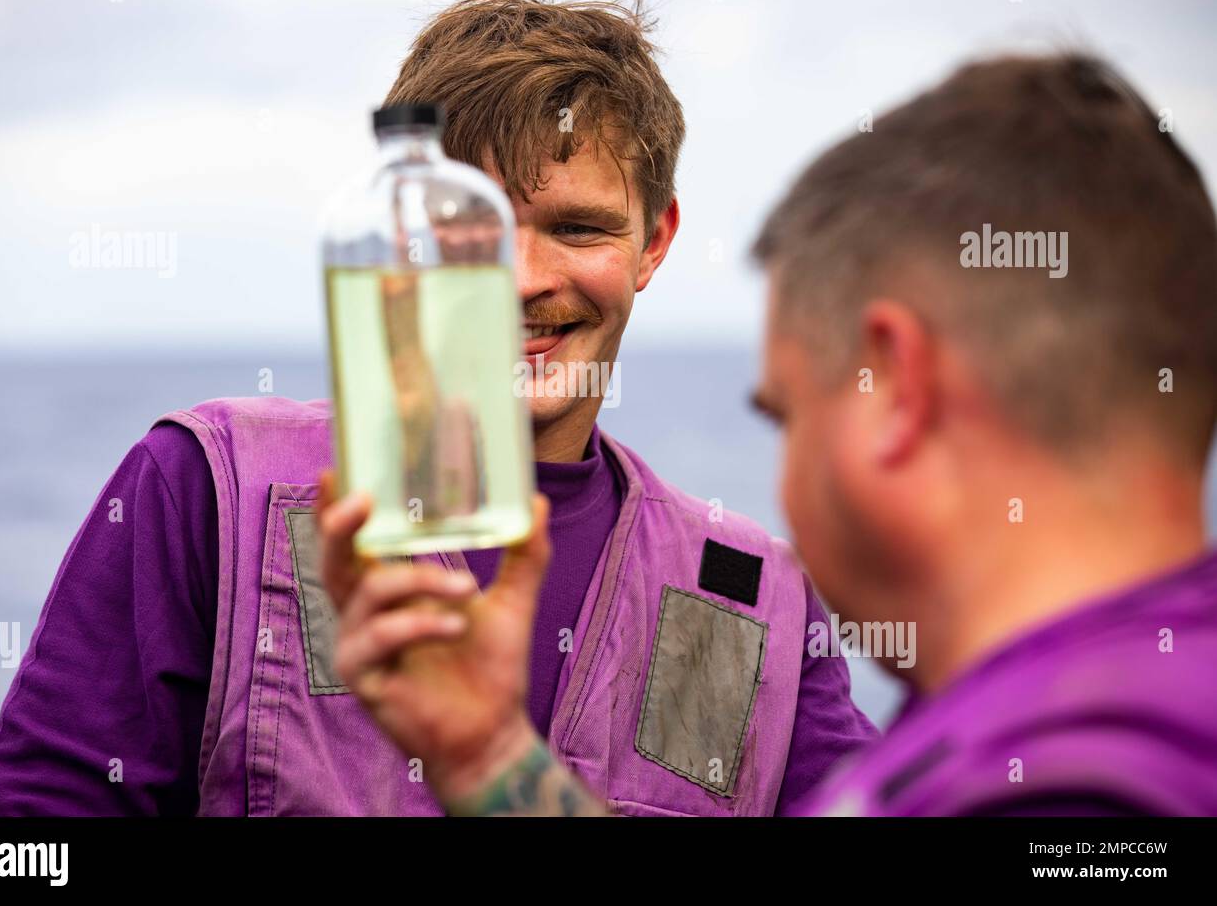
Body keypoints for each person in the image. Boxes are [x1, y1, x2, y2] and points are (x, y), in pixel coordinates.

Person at [0, 0, 874, 816]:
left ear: (654, 240)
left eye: (577, 227)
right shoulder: (210, 491)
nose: (519, 280)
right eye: (469, 230)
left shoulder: (756, 602)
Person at [328, 52, 1217, 816]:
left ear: (896, 389)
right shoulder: (1108, 721)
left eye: (785, 413)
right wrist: (493, 764)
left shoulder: (1060, 787)